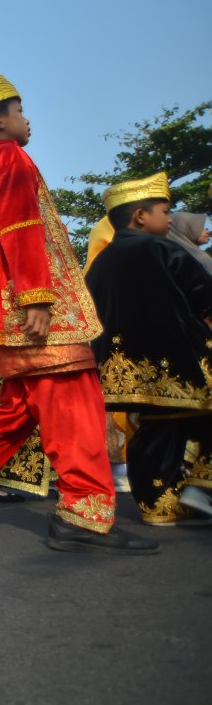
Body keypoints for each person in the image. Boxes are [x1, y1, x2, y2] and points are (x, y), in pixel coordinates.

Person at [0, 73, 157, 554]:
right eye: (20, 111)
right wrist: (36, 297)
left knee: (22, 407)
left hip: (13, 312)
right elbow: (19, 227)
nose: (28, 120)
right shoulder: (9, 157)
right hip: (36, 313)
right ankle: (84, 515)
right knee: (74, 407)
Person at [86, 173, 212, 525]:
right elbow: (203, 295)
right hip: (178, 361)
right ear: (140, 216)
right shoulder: (161, 249)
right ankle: (202, 486)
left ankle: (158, 506)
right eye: (164, 211)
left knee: (156, 428)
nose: (170, 219)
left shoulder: (101, 263)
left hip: (121, 372)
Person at [167, 211, 212, 275]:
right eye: (201, 227)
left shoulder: (169, 260)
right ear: (184, 229)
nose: (207, 231)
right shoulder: (191, 260)